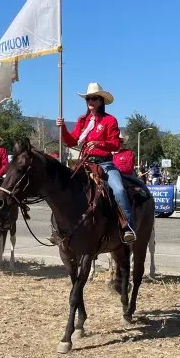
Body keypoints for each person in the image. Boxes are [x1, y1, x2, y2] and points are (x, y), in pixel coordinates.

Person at [56, 82, 136, 243]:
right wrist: (63, 128)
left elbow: (115, 144)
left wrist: (99, 144)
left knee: (119, 189)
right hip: (84, 164)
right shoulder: (82, 120)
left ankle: (127, 227)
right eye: (88, 99)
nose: (90, 101)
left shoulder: (110, 120)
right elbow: (72, 141)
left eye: (94, 98)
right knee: (64, 187)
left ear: (101, 101)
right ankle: (61, 227)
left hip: (104, 165)